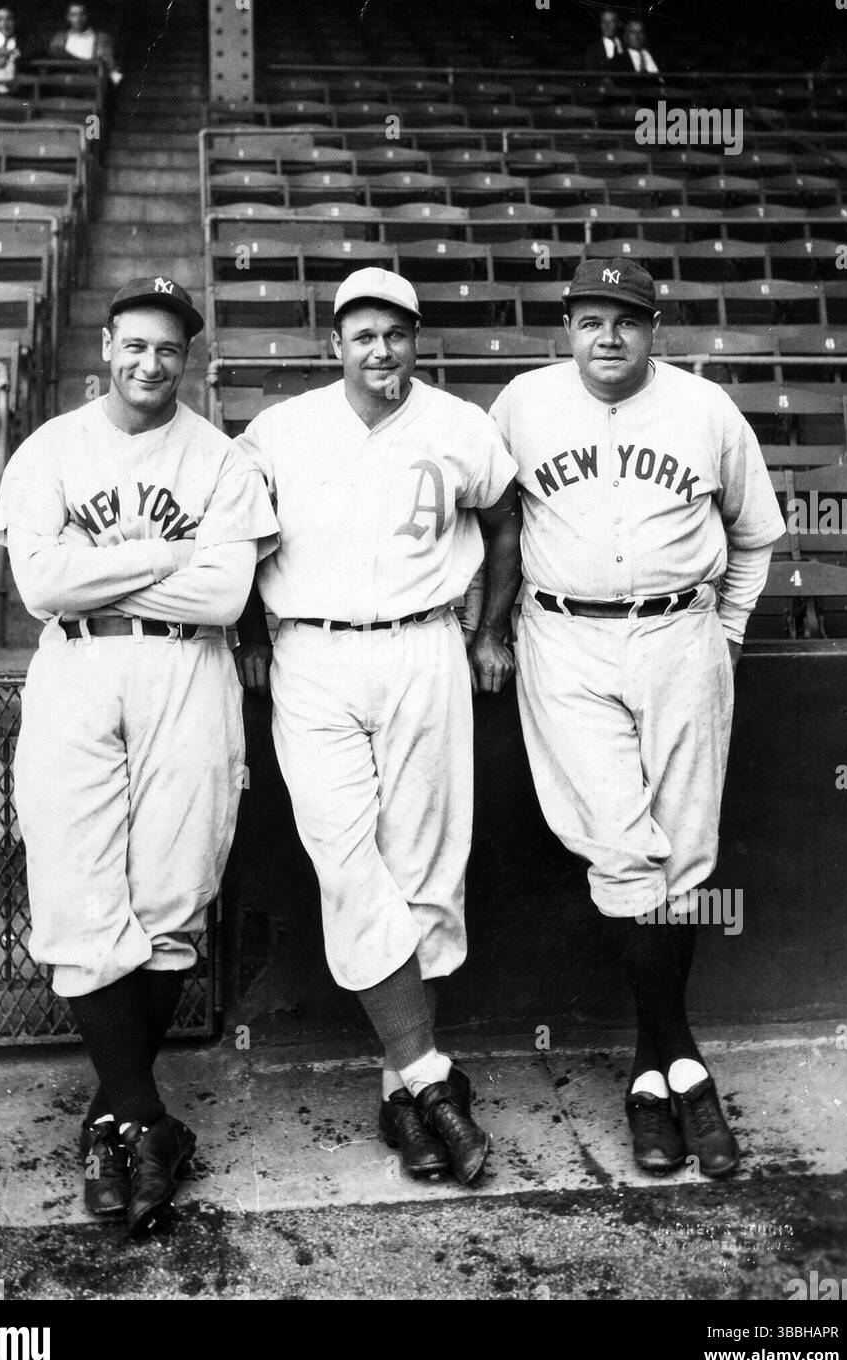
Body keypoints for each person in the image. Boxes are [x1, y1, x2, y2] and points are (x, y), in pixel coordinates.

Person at [0, 276, 278, 1234]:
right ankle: (149, 1119)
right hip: (76, 668)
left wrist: (102, 570)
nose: (151, 363)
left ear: (187, 358)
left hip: (187, 669)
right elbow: (42, 585)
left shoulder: (221, 458)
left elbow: (225, 595)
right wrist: (165, 556)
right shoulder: (50, 448)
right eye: (136, 345)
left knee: (170, 898)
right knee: (78, 897)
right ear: (106, 348)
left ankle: (115, 1119)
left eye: (169, 349)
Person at [489, 257, 785, 1180]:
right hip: (564, 637)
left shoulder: (706, 409)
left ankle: (649, 1081)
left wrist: (726, 632)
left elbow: (755, 534)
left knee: (685, 850)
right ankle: (682, 1060)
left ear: (656, 329)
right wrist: (489, 627)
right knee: (622, 847)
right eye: (590, 319)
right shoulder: (522, 405)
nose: (607, 337)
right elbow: (493, 525)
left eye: (626, 319)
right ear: (566, 328)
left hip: (681, 633)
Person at [235, 267, 521, 1188]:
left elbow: (506, 520)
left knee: (426, 867)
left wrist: (491, 630)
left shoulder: (460, 425)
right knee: (348, 861)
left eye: (397, 333)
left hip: (425, 644)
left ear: (416, 340)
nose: (382, 350)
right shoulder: (281, 430)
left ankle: (402, 1094)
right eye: (363, 335)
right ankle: (434, 1077)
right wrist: (250, 637)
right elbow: (235, 538)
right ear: (336, 345)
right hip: (313, 652)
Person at [48, 3, 122, 85]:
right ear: (68, 17)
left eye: (82, 14)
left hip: (91, 85)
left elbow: (109, 66)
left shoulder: (101, 38)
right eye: (73, 15)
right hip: (63, 84)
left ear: (87, 16)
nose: (78, 19)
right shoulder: (59, 37)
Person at [0, 6, 29, 91]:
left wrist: (14, 53)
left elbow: (37, 51)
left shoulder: (25, 38)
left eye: (9, 19)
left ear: (15, 21)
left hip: (19, 91)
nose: (4, 24)